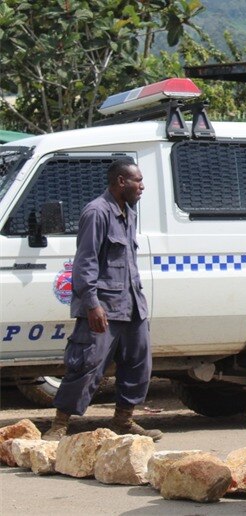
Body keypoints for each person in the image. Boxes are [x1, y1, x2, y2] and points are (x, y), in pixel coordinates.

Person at [42, 160, 161, 442]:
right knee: (86, 364)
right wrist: (92, 304)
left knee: (139, 363)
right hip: (103, 306)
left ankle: (123, 420)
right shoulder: (97, 212)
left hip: (131, 305)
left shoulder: (128, 212)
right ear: (121, 181)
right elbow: (85, 263)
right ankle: (59, 425)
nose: (142, 186)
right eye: (137, 181)